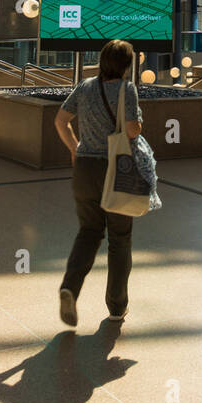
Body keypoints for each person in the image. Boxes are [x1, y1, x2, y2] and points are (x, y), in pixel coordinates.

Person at [54, 39, 143, 327]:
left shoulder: (84, 86)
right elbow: (131, 130)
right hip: (114, 169)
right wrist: (139, 123)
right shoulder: (126, 89)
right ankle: (117, 306)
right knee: (119, 239)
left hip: (84, 168)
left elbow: (60, 121)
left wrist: (74, 147)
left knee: (89, 232)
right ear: (126, 65)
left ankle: (70, 286)